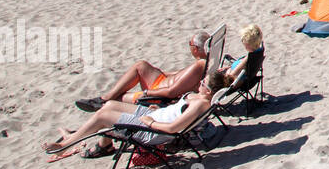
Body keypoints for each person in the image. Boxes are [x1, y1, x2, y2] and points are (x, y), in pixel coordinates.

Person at [48, 68, 234, 160]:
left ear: (209, 91)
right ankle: (75, 138)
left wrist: (150, 122)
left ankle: (65, 146)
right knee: (110, 104)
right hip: (156, 114)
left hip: (152, 129)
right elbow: (174, 114)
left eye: (203, 83)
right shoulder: (200, 99)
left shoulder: (200, 104)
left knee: (102, 117)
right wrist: (157, 112)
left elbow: (173, 128)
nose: (200, 83)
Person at [74, 31, 214, 112]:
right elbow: (183, 77)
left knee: (117, 100)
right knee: (141, 65)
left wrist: (146, 93)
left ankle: (104, 106)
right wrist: (162, 73)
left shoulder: (199, 66)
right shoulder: (207, 62)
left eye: (189, 44)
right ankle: (105, 99)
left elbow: (171, 92)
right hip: (161, 82)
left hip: (159, 93)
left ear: (195, 49)